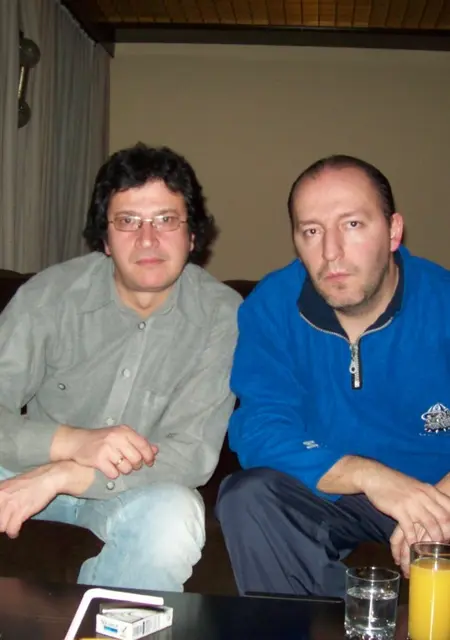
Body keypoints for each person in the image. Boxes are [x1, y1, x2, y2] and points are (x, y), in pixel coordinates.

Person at [0, 142, 241, 591]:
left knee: (175, 517)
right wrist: (73, 442)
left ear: (192, 235)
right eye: (128, 221)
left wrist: (67, 472)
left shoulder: (223, 317)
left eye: (166, 220)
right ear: (105, 239)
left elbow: (191, 454)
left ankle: (101, 623)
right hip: (24, 467)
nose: (147, 239)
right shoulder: (49, 296)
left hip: (134, 490)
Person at [216, 154, 450, 598]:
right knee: (249, 497)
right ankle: (312, 622)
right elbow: (261, 428)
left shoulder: (443, 303)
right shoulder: (272, 306)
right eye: (311, 231)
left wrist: (437, 508)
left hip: (439, 487)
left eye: (353, 225)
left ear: (393, 231)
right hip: (335, 491)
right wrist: (371, 477)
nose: (331, 252)